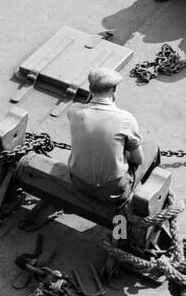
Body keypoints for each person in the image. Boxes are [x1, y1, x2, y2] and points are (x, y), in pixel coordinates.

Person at [68, 68, 159, 208]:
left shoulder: (73, 111)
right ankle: (142, 190)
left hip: (79, 185)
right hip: (112, 193)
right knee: (151, 147)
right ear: (114, 90)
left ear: (90, 89)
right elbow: (138, 160)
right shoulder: (126, 119)